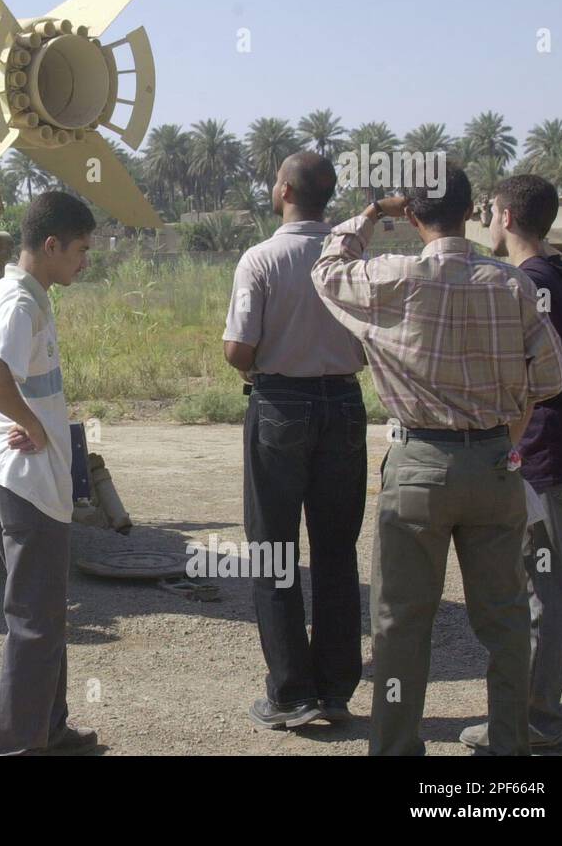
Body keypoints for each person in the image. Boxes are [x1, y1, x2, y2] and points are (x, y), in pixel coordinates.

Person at [311, 165, 562, 756]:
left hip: (418, 465)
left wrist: (370, 213)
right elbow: (550, 377)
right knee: (505, 621)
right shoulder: (512, 284)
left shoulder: (392, 277)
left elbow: (326, 269)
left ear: (411, 215)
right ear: (471, 212)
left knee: (401, 623)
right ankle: (510, 746)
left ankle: (396, 745)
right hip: (495, 465)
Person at [222, 151, 369, 730]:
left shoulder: (261, 259)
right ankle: (334, 691)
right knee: (336, 551)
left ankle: (290, 693)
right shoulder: (351, 258)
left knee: (274, 550)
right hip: (346, 406)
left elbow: (239, 348)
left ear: (284, 190)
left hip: (281, 405)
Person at [457, 174, 562, 751]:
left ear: (507, 218)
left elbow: (520, 378)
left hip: (538, 450)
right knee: (550, 569)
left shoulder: (522, 284)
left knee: (539, 583)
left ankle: (536, 720)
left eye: (490, 213)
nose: (487, 223)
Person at [0, 190, 98, 756]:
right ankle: (18, 746)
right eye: (80, 250)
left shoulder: (18, 295)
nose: (84, 261)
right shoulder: (18, 303)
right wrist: (33, 425)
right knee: (34, 623)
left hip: (20, 482)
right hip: (24, 483)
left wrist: (31, 421)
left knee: (44, 617)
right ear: (51, 245)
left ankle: (49, 730)